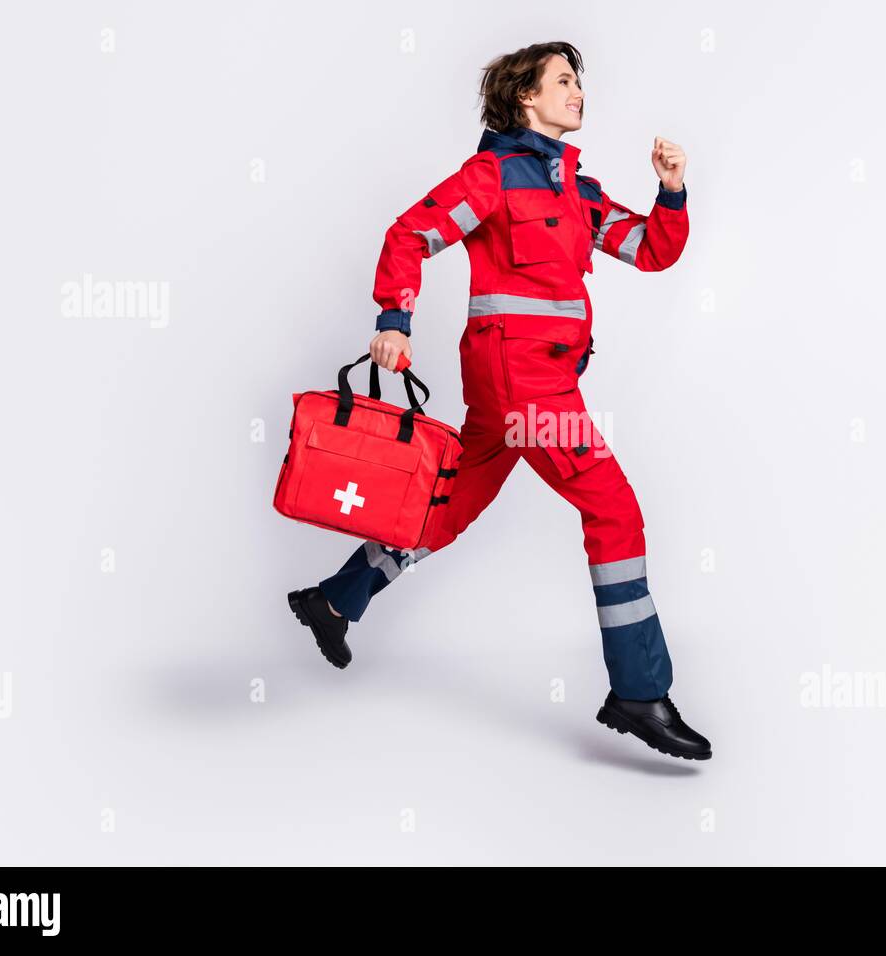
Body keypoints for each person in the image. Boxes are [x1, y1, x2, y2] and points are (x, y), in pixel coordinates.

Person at [287, 41, 711, 760]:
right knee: (613, 509)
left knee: (444, 508)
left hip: (533, 382)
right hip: (524, 383)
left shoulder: (577, 186)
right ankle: (638, 690)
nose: (579, 92)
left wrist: (671, 191)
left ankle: (332, 602)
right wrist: (394, 320)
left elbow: (647, 250)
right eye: (564, 81)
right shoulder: (493, 176)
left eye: (580, 81)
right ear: (526, 98)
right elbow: (410, 234)